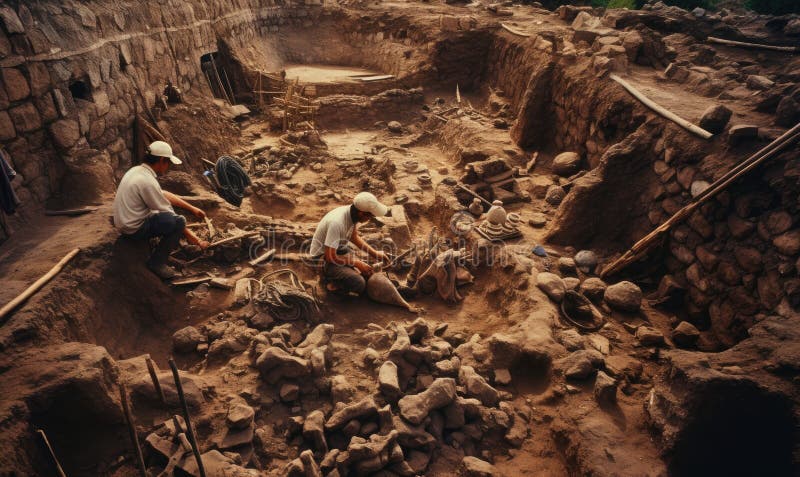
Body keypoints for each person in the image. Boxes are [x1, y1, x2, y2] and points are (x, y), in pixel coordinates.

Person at [113, 140, 208, 279]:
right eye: (168, 163)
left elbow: (162, 193)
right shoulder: (147, 182)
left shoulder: (137, 171)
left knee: (167, 216)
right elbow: (170, 215)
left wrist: (192, 208)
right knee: (178, 221)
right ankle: (157, 263)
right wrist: (195, 239)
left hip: (125, 222)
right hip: (133, 229)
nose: (168, 167)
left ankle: (156, 251)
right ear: (162, 160)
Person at [310, 192, 391, 295]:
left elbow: (354, 237)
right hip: (322, 258)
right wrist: (357, 263)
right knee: (359, 283)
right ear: (361, 213)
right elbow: (330, 257)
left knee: (364, 269)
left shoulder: (352, 214)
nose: (370, 219)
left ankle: (345, 273)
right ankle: (330, 283)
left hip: (338, 249)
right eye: (370, 216)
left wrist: (375, 253)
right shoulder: (336, 223)